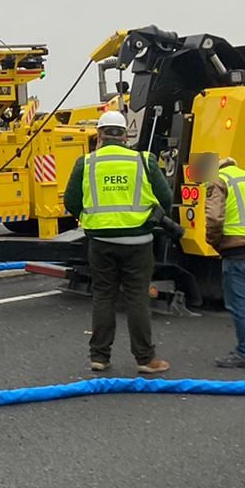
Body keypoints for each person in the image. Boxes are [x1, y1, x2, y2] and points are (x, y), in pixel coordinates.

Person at [63, 110, 172, 375]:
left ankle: (99, 356)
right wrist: (151, 220)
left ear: (99, 134)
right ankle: (145, 359)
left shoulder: (86, 163)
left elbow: (71, 201)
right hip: (138, 241)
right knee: (136, 298)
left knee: (103, 296)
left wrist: (90, 219)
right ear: (125, 135)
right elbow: (166, 199)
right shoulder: (143, 161)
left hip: (101, 241)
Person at [197, 153, 245, 368]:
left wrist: (215, 243)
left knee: (239, 302)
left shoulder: (219, 180)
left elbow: (214, 218)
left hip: (237, 251)